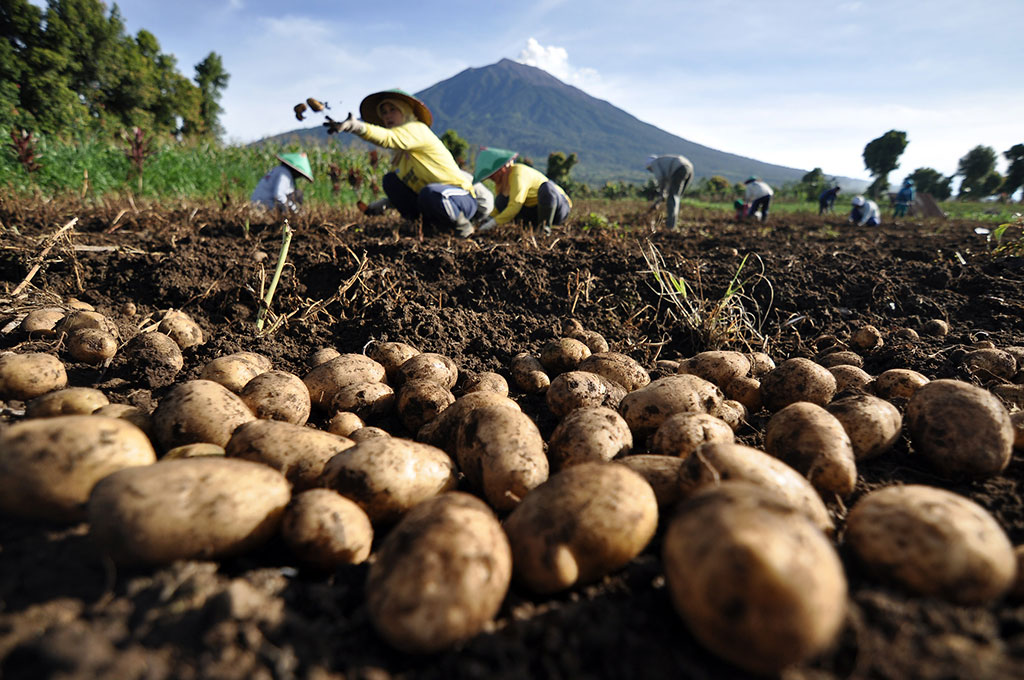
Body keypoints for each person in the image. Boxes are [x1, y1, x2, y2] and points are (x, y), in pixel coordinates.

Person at [324, 89, 478, 236]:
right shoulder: (399, 157)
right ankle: (426, 227)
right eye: (384, 112)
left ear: (404, 111)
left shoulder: (418, 129)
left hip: (459, 198)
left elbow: (388, 139)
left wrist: (357, 127)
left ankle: (462, 225)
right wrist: (387, 202)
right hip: (431, 198)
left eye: (393, 109)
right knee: (391, 181)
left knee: (430, 193)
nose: (387, 116)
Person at [472, 147, 572, 234]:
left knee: (547, 187)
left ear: (501, 169)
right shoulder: (500, 184)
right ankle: (529, 228)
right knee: (500, 200)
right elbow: (498, 209)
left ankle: (544, 230)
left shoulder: (518, 173)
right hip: (532, 212)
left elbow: (515, 205)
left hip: (557, 207)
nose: (491, 178)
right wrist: (485, 221)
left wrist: (493, 224)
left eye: (492, 175)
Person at [644, 154, 694, 230]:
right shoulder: (663, 163)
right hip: (689, 167)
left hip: (680, 168)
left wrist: (661, 193)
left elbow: (661, 179)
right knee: (676, 197)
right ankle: (673, 223)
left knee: (672, 198)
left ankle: (670, 226)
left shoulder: (655, 163)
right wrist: (662, 195)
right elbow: (667, 184)